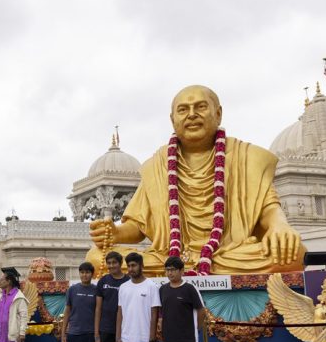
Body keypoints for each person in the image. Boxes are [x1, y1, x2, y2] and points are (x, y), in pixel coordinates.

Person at [89, 85, 303, 275]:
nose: (192, 115)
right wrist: (115, 232)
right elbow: (137, 226)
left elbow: (269, 210)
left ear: (218, 114)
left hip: (228, 253)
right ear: (173, 119)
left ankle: (203, 268)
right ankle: (192, 268)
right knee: (96, 257)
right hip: (171, 258)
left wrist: (280, 227)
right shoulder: (157, 165)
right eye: (183, 110)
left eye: (200, 107)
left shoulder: (248, 157)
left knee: (294, 254)